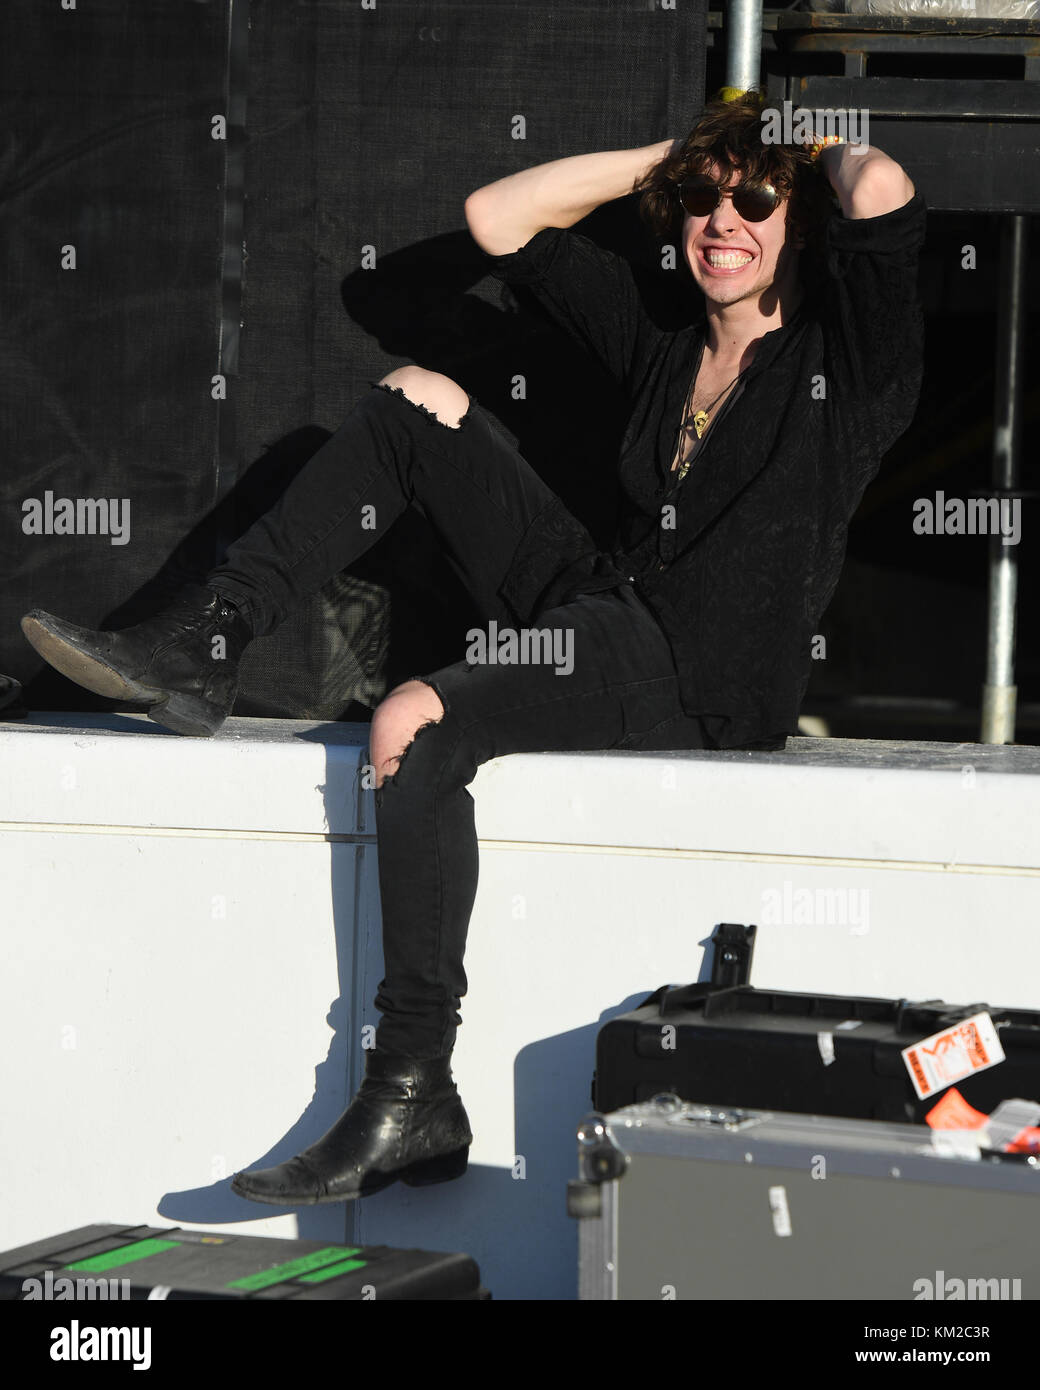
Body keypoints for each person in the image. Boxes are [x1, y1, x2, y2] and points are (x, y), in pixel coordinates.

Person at [20, 92, 926, 1205]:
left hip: (700, 674)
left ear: (797, 223)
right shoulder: (663, 338)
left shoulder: (851, 368)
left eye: (751, 202)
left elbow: (879, 190)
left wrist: (792, 140)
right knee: (411, 404)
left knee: (413, 722)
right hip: (605, 598)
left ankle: (410, 1085)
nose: (720, 222)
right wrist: (679, 156)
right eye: (700, 202)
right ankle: (209, 639)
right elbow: (498, 215)